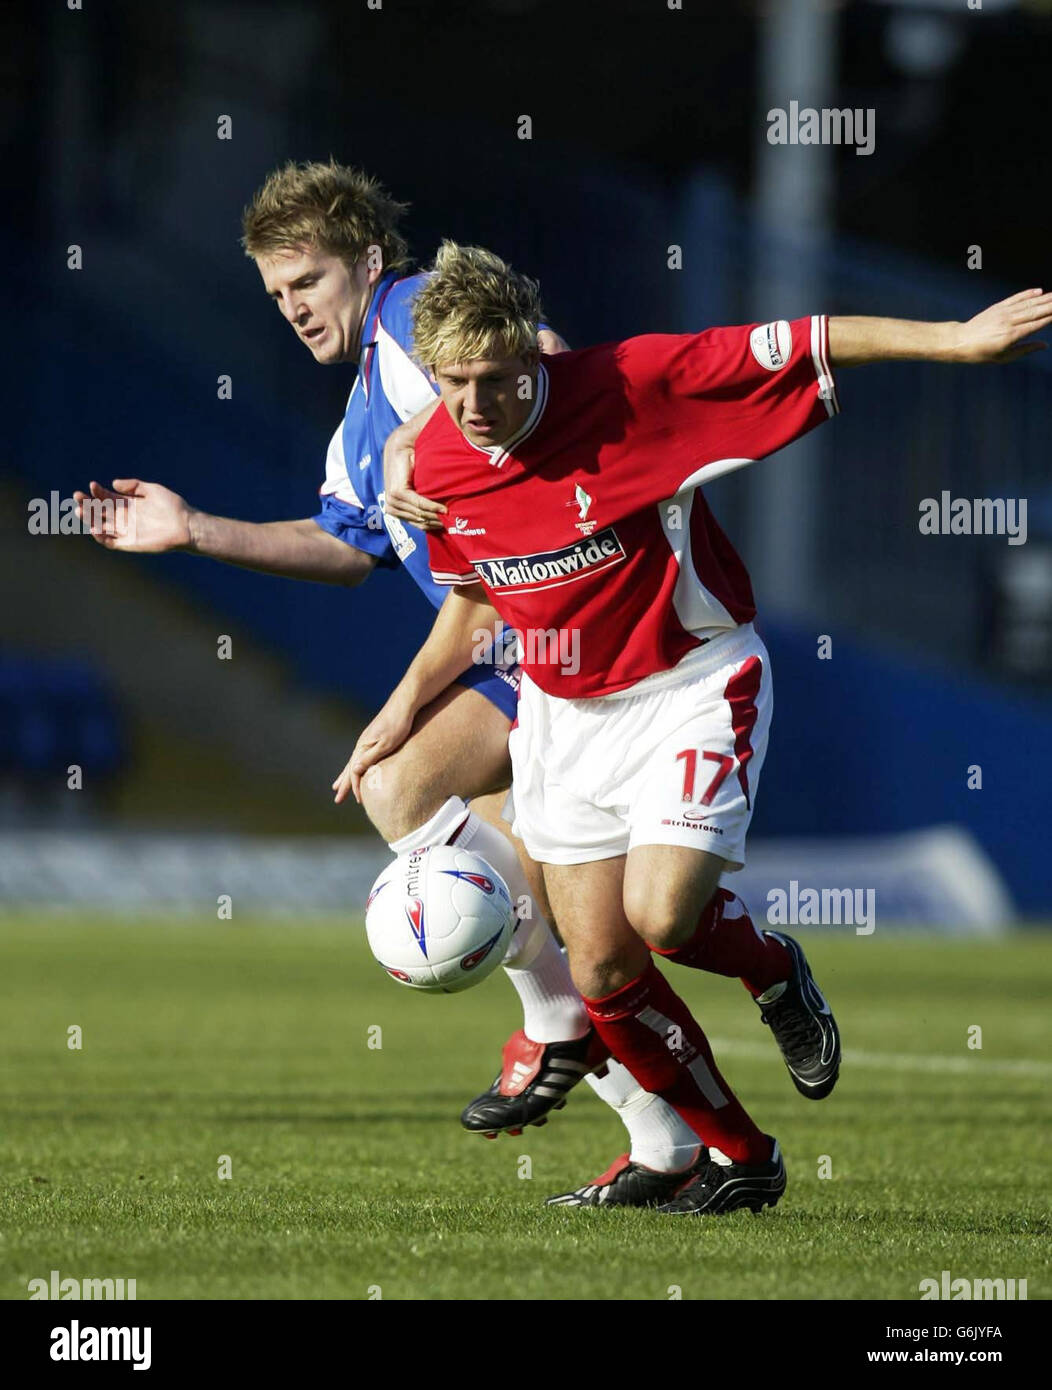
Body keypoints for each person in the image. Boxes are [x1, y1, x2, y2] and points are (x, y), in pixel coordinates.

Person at [340, 242, 1052, 1213]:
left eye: (497, 381)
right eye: (453, 384)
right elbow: (472, 601)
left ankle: (772, 972)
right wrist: (393, 713)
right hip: (560, 717)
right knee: (598, 970)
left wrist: (955, 342)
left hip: (689, 684)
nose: (474, 404)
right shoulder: (430, 460)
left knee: (663, 920)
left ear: (534, 356)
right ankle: (739, 1158)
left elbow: (801, 342)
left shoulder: (635, 386)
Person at [71, 159, 707, 1182]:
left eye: (307, 282)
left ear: (366, 261)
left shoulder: (414, 317)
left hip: (555, 629)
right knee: (568, 925)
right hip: (527, 648)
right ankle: (664, 1137)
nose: (291, 309)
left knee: (399, 784)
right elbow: (343, 546)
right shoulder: (362, 411)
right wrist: (193, 529)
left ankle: (560, 1022)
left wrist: (428, 435)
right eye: (277, 295)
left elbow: (541, 357)